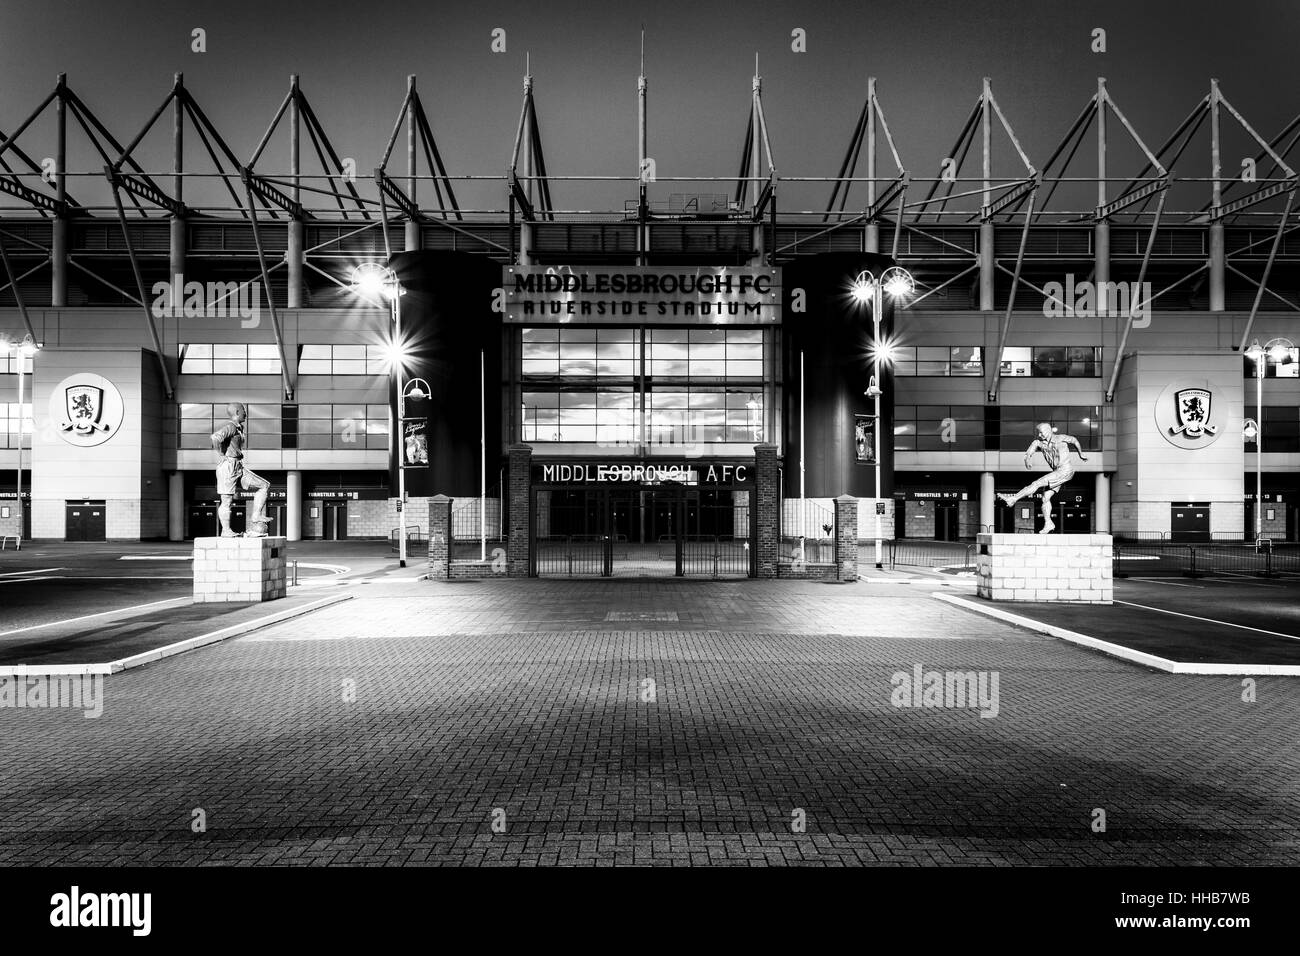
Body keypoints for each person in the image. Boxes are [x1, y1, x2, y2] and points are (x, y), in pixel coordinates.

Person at [997, 423, 1087, 534]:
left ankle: (1013, 499)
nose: (1039, 435)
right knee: (1045, 498)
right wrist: (1027, 459)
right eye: (1038, 433)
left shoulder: (1061, 438)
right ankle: (1049, 523)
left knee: (1036, 483)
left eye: (1041, 432)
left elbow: (1074, 440)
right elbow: (1033, 447)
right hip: (1058, 472)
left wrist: (1081, 454)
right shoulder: (1039, 443)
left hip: (1065, 469)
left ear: (1048, 430)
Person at [211, 402, 271, 537]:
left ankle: (256, 516)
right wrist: (221, 454)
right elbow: (215, 437)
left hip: (238, 465)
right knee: (227, 500)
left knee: (264, 485)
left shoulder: (239, 428)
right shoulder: (231, 427)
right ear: (237, 412)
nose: (246, 413)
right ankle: (226, 531)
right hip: (228, 467)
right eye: (244, 410)